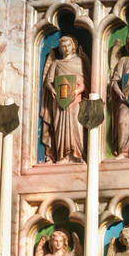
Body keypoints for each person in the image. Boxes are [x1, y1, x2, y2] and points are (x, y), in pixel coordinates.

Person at [41, 35, 87, 163]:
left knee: (76, 127)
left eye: (68, 45)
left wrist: (77, 91)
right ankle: (63, 156)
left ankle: (77, 154)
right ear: (60, 49)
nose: (65, 48)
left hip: (75, 100)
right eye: (63, 46)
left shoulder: (79, 62)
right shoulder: (56, 63)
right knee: (60, 128)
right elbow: (48, 81)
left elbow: (84, 83)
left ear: (73, 47)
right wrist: (52, 89)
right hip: (59, 101)